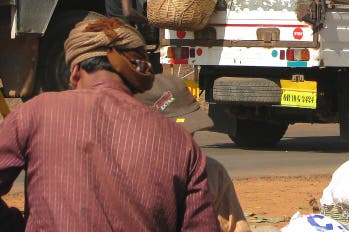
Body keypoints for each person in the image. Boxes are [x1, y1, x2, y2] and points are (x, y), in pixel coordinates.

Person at [0, 16, 219, 231]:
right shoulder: (181, 141)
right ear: (135, 74)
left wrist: (14, 224)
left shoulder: (35, 113)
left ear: (75, 71)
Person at [136, 73, 252, 232]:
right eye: (177, 134)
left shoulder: (211, 173)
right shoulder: (117, 175)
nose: (188, 140)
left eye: (191, 132)